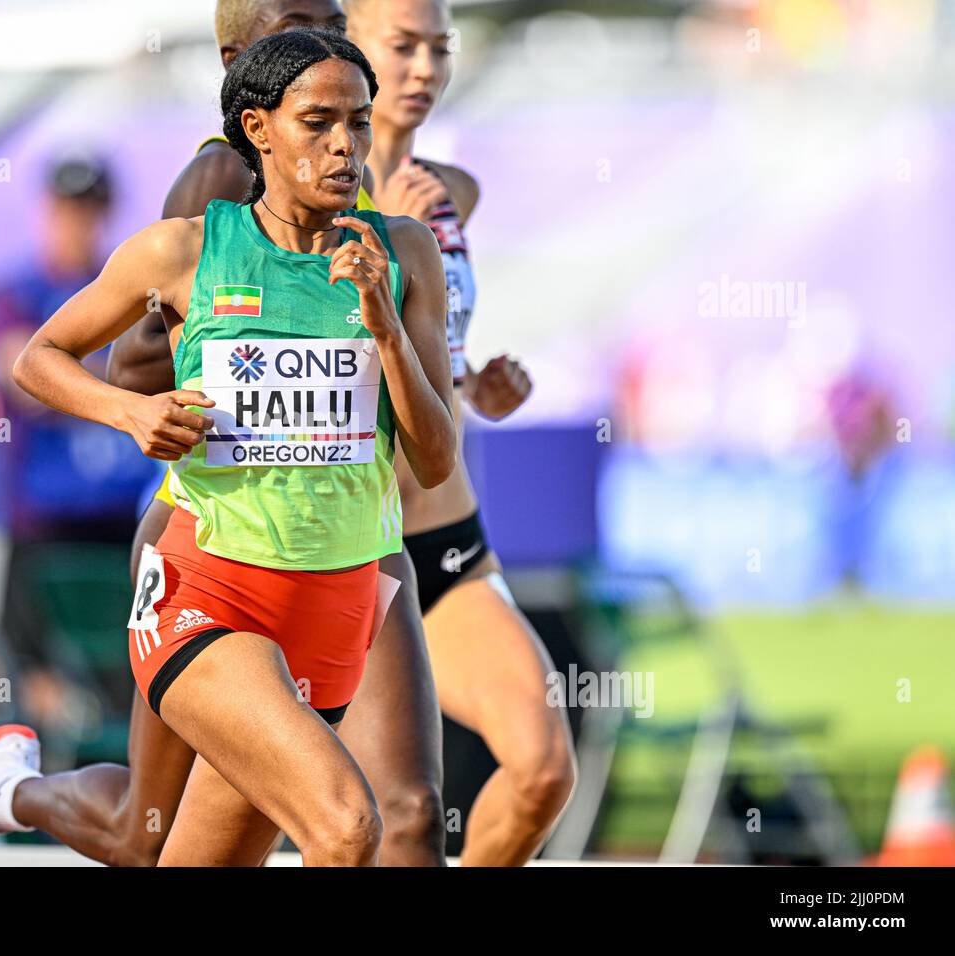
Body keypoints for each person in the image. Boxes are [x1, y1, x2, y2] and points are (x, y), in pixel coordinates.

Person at [0, 26, 455, 866]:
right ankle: (7, 788)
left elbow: (434, 461)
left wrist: (387, 333)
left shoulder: (403, 254)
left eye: (358, 123)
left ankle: (1, 791)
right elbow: (39, 359)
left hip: (337, 607)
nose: (344, 145)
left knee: (154, 846)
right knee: (347, 826)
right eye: (318, 122)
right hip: (210, 588)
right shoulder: (185, 248)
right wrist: (130, 414)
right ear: (258, 129)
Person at [342, 0, 577, 866]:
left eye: (439, 49)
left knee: (544, 768)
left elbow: (435, 364)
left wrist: (481, 387)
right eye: (401, 46)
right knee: (393, 823)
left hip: (444, 537)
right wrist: (381, 227)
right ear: (350, 43)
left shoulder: (451, 191)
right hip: (344, 549)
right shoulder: (314, 191)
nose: (424, 70)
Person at [0, 157, 155, 725]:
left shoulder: (122, 284)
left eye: (89, 209)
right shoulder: (17, 291)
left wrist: (70, 372)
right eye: (68, 209)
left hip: (117, 520)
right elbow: (24, 375)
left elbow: (157, 366)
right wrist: (114, 381)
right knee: (26, 684)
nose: (78, 223)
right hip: (42, 526)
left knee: (131, 679)